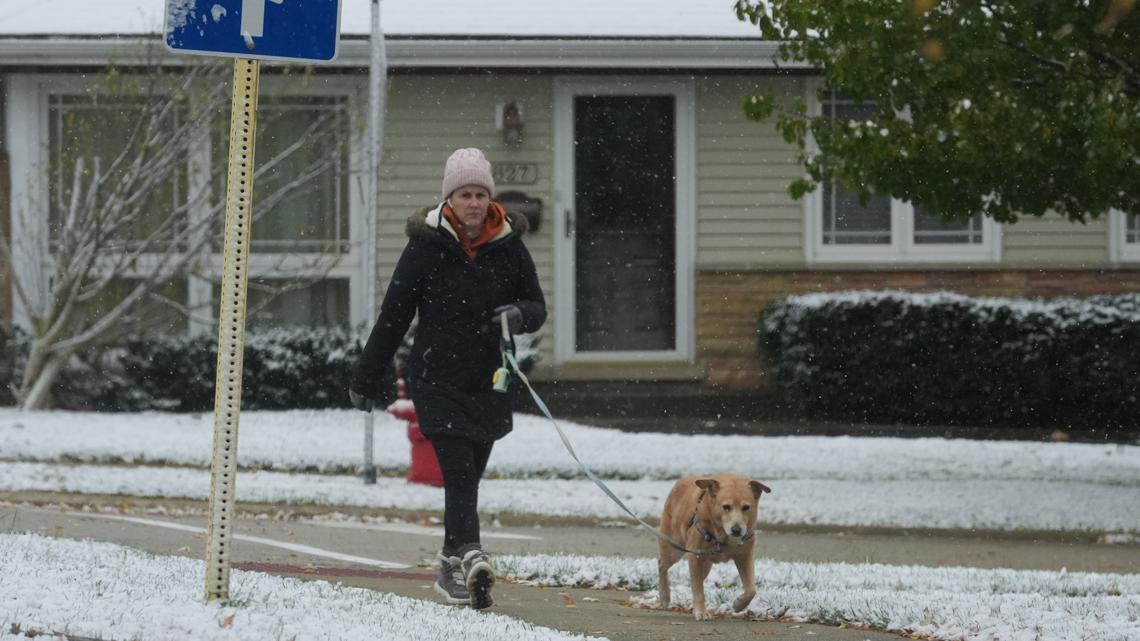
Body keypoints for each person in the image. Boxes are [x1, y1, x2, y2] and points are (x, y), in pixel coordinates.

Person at [349, 147, 546, 609]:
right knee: (458, 472)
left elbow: (537, 307)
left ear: (489, 198)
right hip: (437, 377)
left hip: (490, 379)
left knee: (469, 477)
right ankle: (473, 556)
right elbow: (393, 316)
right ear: (449, 199)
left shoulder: (509, 245)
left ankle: (448, 565)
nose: (473, 203)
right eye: (464, 194)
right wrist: (366, 373)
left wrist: (518, 314)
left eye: (480, 194)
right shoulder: (426, 246)